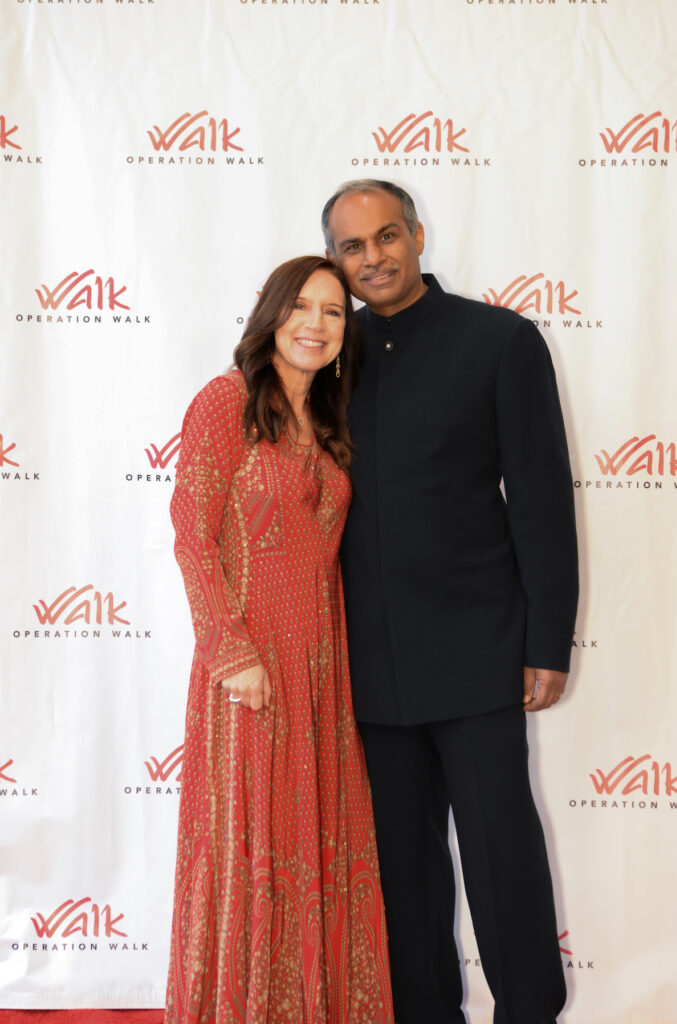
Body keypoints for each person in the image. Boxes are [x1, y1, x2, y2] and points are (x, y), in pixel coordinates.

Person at [321, 180, 579, 1024]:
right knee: (402, 869)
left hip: (478, 653)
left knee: (503, 853)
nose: (374, 259)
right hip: (366, 663)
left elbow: (540, 501)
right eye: (353, 248)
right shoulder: (328, 359)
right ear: (336, 262)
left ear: (418, 235)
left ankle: (530, 1012)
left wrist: (548, 638)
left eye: (387, 237)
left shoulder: (499, 341)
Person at [164, 255, 395, 1024]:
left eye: (334, 313)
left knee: (316, 840)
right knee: (247, 848)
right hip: (251, 663)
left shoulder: (327, 420)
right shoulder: (223, 403)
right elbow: (193, 540)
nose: (317, 325)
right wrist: (233, 654)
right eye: (302, 307)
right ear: (272, 315)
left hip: (323, 659)